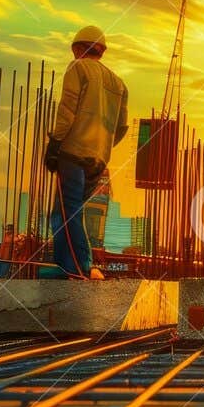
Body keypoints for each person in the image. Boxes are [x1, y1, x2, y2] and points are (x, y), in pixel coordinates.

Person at [45, 25, 129, 279]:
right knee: (70, 211)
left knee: (66, 213)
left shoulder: (78, 68)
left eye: (74, 51)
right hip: (98, 160)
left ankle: (75, 267)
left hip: (73, 154)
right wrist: (101, 146)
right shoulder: (119, 83)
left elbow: (67, 108)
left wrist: (55, 144)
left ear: (80, 48)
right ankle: (75, 265)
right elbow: (122, 128)